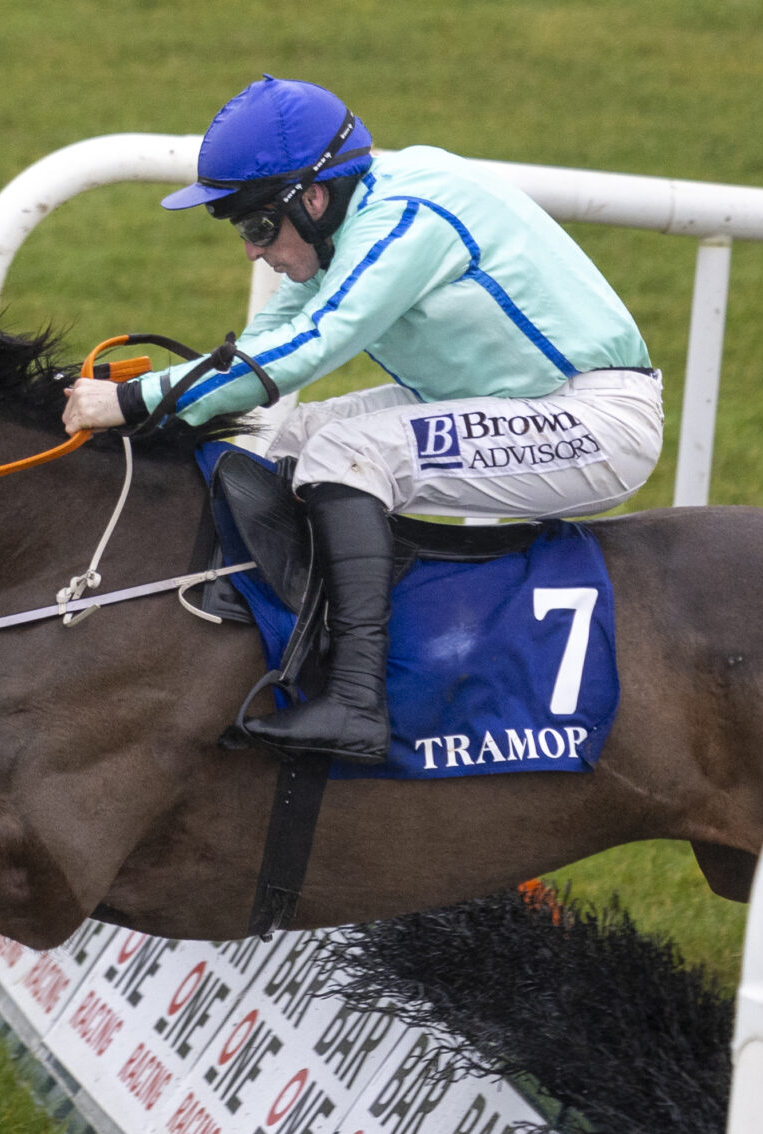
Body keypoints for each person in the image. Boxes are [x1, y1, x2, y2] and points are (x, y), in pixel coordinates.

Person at [63, 76, 664, 765]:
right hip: (502, 403)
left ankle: (356, 702)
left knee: (347, 454)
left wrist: (137, 400)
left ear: (312, 198)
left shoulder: (407, 218)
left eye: (257, 227)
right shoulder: (352, 216)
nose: (253, 251)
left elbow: (310, 346)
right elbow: (263, 346)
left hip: (592, 422)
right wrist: (149, 398)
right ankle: (275, 644)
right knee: (285, 441)